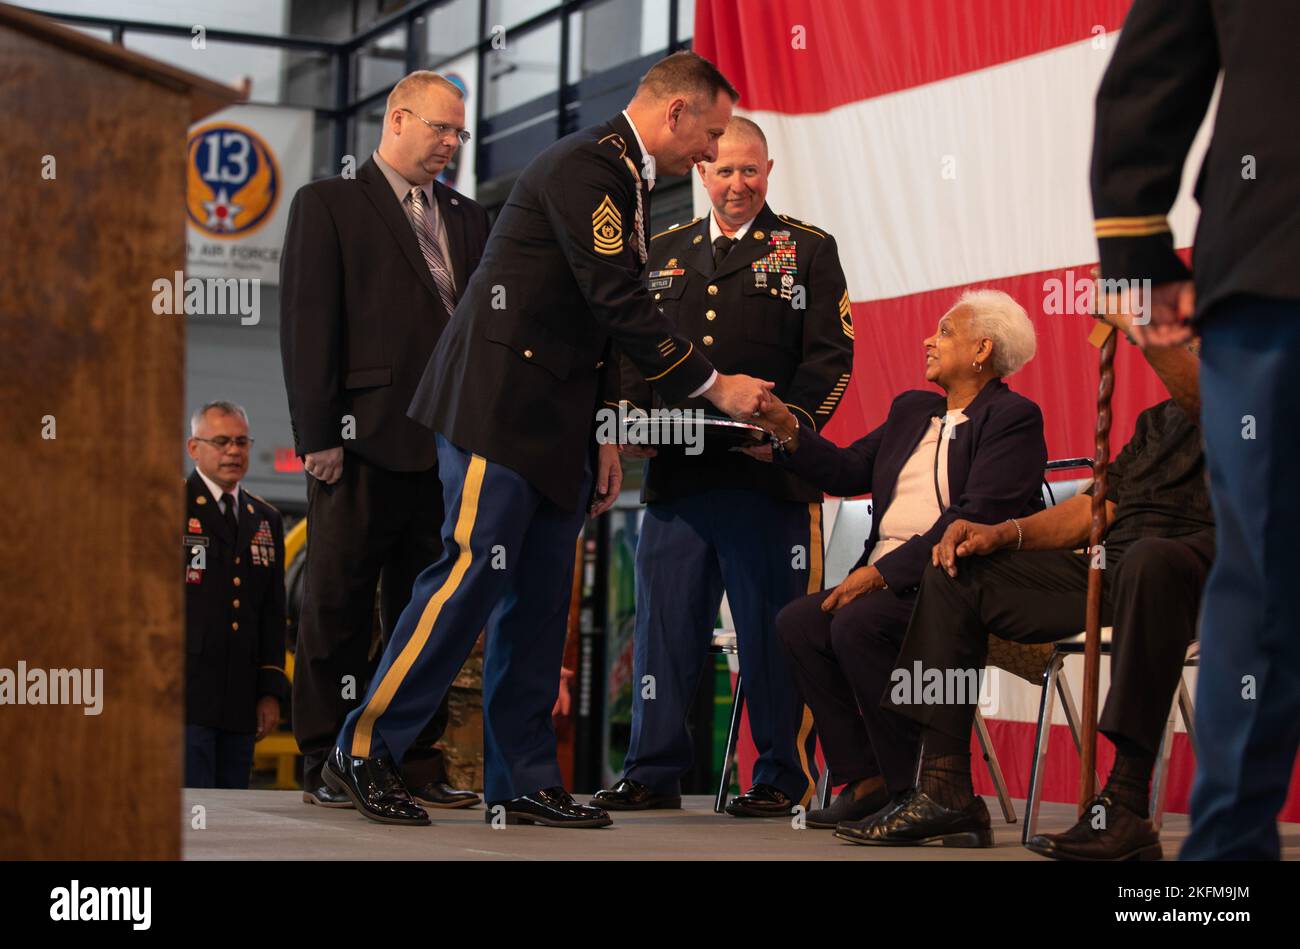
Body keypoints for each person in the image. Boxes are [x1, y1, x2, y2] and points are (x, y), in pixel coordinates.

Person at [324, 51, 774, 828]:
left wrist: (603, 431)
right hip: (496, 409)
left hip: (557, 425)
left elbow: (594, 324)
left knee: (536, 603)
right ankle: (363, 749)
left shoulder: (628, 181)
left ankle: (523, 776)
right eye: (710, 133)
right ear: (674, 114)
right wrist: (714, 385)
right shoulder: (587, 166)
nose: (710, 152)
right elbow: (617, 300)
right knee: (467, 577)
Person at [853, 304, 1211, 852]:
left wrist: (1137, 318)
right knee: (956, 567)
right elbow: (1092, 512)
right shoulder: (1157, 422)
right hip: (1116, 572)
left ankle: (1126, 803)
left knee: (1151, 560)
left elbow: (1215, 403)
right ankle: (945, 787)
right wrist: (1003, 534)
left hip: (1209, 576)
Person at [590, 116, 854, 818]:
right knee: (664, 630)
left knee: (774, 633)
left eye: (750, 170)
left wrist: (792, 430)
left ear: (769, 170)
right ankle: (652, 770)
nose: (737, 183)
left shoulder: (807, 250)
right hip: (677, 479)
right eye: (724, 170)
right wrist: (623, 419)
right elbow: (630, 348)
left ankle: (779, 777)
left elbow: (832, 356)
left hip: (769, 481)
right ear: (701, 172)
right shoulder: (664, 249)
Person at [1089, 0, 1300, 861]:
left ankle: (1223, 873)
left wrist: (1139, 251)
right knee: (1258, 579)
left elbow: (1150, 74)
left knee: (1263, 580)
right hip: (1275, 259)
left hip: (1274, 249)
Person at [280, 72, 489, 811]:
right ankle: (322, 760)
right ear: (398, 119)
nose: (453, 145)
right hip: (358, 443)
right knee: (335, 608)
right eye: (442, 129)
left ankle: (410, 759)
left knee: (424, 614)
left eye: (460, 133)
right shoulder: (327, 204)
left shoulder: (467, 217)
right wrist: (318, 434)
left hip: (447, 447)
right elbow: (308, 327)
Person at [766, 290, 1045, 830]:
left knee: (858, 624)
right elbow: (848, 470)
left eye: (944, 332)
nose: (928, 340)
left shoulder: (1013, 418)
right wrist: (788, 429)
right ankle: (866, 779)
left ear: (982, 349)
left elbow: (973, 517)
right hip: (888, 580)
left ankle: (918, 790)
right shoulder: (912, 410)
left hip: (958, 581)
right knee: (799, 622)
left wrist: (879, 576)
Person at [183, 401, 290, 789]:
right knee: (191, 813)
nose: (234, 451)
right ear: (194, 448)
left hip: (241, 698)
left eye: (242, 442)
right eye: (223, 441)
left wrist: (270, 692)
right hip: (185, 696)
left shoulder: (264, 518)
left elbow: (272, 613)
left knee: (232, 815)